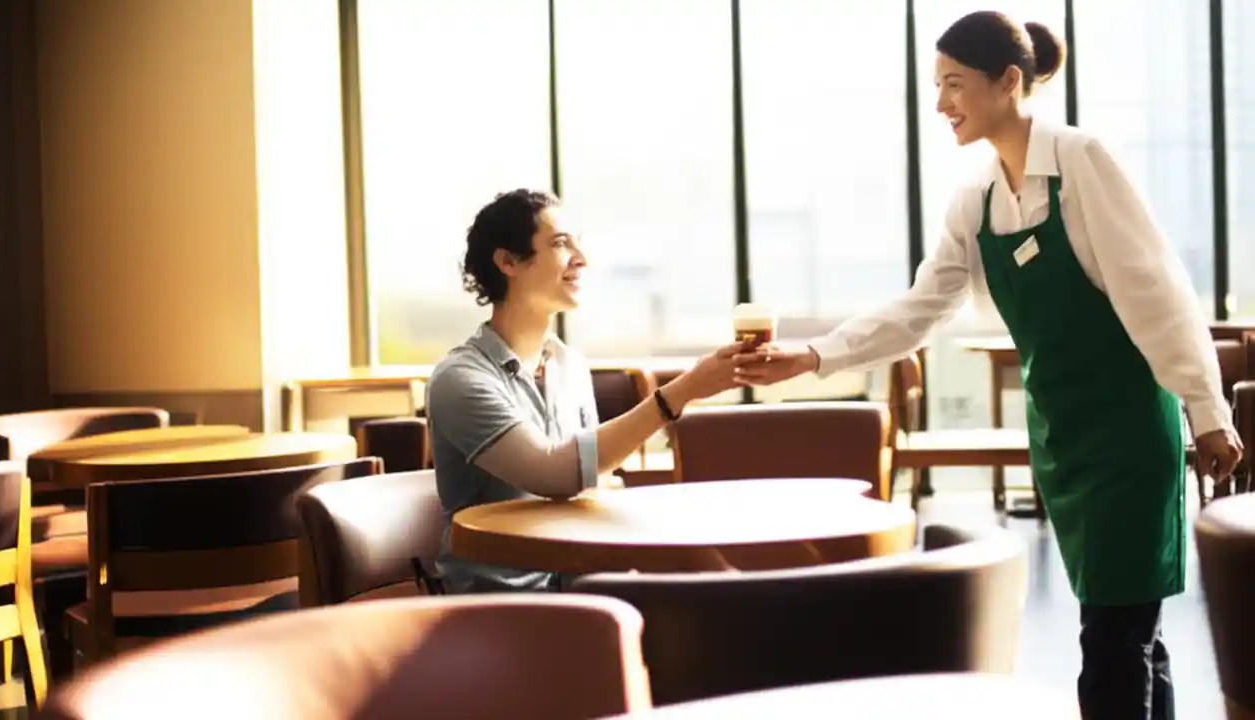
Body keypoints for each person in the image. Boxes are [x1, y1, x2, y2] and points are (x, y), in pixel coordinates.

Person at [734, 12, 1242, 720]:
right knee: (1133, 633)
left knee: (1113, 640)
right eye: (937, 85)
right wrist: (815, 356)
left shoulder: (1080, 160)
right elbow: (923, 307)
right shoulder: (977, 197)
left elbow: (1157, 292)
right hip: (1061, 439)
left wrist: (1207, 412)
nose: (941, 104)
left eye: (954, 85)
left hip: (1127, 433)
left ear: (1009, 82)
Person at [425, 189, 741, 594]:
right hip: (502, 603)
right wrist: (680, 392)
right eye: (560, 243)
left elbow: (590, 481)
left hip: (580, 585)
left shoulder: (569, 367)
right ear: (507, 262)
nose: (581, 258)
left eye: (578, 242)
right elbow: (556, 473)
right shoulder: (461, 380)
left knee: (707, 577)